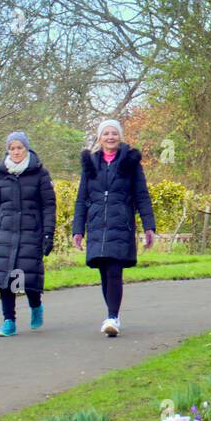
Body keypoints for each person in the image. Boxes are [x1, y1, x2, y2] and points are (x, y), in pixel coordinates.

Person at [72, 119, 156, 337]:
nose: (110, 137)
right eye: (106, 134)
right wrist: (78, 230)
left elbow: (142, 196)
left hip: (121, 224)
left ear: (120, 137)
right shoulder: (90, 164)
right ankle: (112, 315)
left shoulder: (131, 163)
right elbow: (81, 199)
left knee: (114, 270)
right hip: (97, 225)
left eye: (114, 133)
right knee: (103, 271)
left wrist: (149, 227)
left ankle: (112, 317)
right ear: (99, 138)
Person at [0, 131, 56, 337]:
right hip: (4, 233)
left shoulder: (40, 174)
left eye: (19, 148)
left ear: (26, 149)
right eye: (12, 148)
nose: (15, 152)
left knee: (26, 277)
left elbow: (48, 207)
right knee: (6, 280)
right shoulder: (0, 175)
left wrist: (49, 235)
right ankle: (9, 321)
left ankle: (36, 305)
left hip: (31, 232)